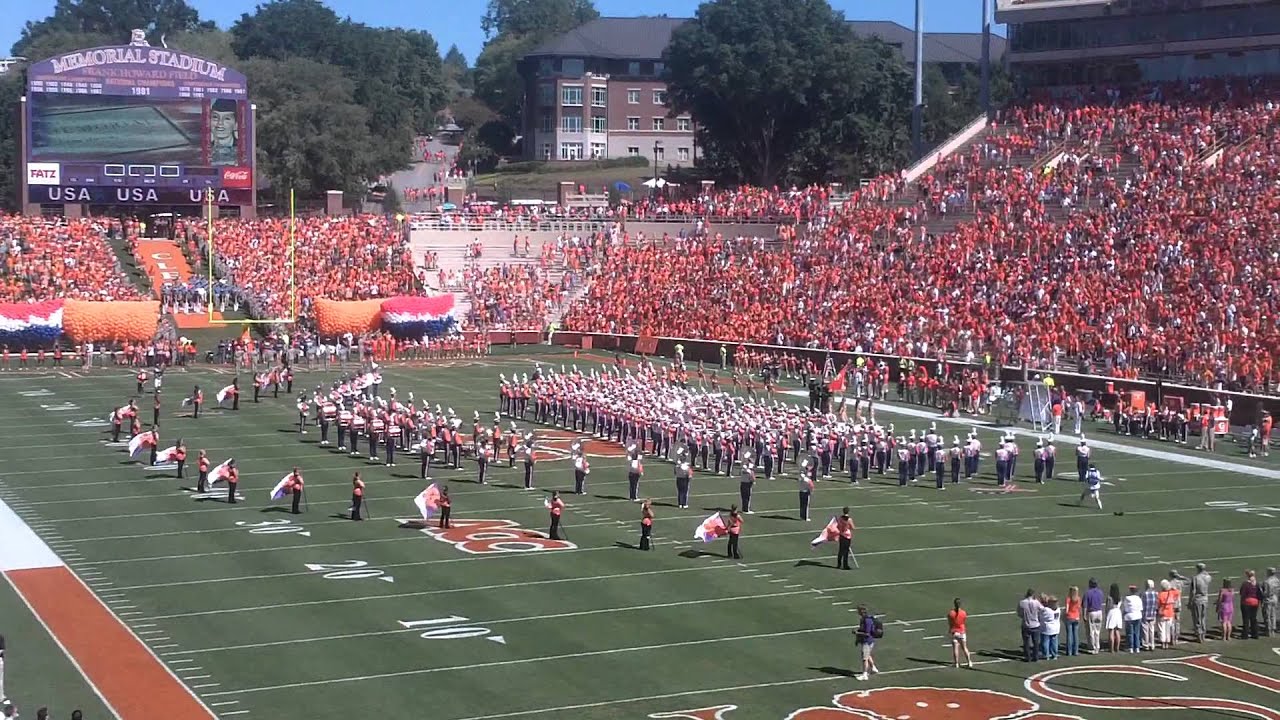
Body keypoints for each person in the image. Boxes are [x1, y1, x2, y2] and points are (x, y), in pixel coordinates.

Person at [853, 605, 880, 681]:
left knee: (864, 658)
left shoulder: (867, 620)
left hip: (867, 641)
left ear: (862, 611)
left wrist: (857, 633)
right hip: (866, 641)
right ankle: (873, 668)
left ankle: (865, 674)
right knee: (868, 655)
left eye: (858, 610)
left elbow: (867, 633)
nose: (857, 611)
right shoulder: (863, 619)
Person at [1018, 589, 1043, 662]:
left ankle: (1027, 657)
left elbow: (1019, 614)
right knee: (1036, 642)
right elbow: (1042, 609)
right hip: (1035, 625)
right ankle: (1036, 657)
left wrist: (1025, 616)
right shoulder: (1036, 602)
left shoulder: (1022, 602)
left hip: (1026, 625)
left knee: (1026, 642)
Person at [948, 598, 973, 669]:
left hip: (954, 632)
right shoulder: (963, 613)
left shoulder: (951, 613)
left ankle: (956, 663)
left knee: (955, 648)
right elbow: (963, 621)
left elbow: (950, 622)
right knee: (964, 648)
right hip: (962, 632)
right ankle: (969, 662)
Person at [1191, 562, 1213, 642]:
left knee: (1197, 618)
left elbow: (1193, 591)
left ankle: (1199, 634)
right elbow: (1209, 576)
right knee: (1203, 617)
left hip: (1197, 599)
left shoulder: (1195, 578)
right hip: (1205, 599)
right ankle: (1203, 633)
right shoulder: (1207, 577)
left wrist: (1190, 601)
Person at [1084, 578, 1105, 653]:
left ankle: (1092, 647)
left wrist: (1084, 615)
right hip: (1099, 612)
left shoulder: (1088, 593)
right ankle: (1097, 646)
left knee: (1091, 631)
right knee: (1097, 631)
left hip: (1092, 612)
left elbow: (1085, 605)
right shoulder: (1100, 592)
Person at [1240, 570, 1262, 640]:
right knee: (1254, 618)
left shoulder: (1245, 584)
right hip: (1255, 602)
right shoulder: (1257, 583)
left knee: (1246, 619)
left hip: (1247, 602)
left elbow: (1242, 593)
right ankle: (1255, 634)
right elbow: (1259, 593)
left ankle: (1245, 635)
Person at [1123, 585, 1144, 653]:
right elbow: (1141, 608)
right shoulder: (1138, 598)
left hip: (1130, 617)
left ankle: (1131, 647)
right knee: (1137, 632)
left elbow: (1125, 608)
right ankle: (1137, 647)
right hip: (1138, 616)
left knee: (1130, 633)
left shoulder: (1127, 598)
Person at [1157, 579, 1177, 649]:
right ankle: (1167, 643)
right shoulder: (1171, 593)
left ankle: (1163, 643)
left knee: (1162, 629)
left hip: (1162, 613)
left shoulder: (1160, 595)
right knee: (1168, 629)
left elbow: (1158, 604)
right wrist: (1172, 588)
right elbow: (1178, 593)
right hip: (1170, 613)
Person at [1040, 595, 1061, 660]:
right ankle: (1054, 655)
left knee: (1045, 642)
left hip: (1047, 628)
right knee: (1054, 642)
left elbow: (1041, 616)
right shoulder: (1058, 609)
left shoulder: (1046, 610)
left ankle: (1046, 655)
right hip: (1056, 628)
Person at [1063, 586, 1081, 656]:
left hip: (1070, 617)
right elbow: (1079, 608)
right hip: (1076, 617)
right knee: (1076, 635)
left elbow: (1067, 609)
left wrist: (1065, 615)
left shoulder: (1068, 599)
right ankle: (1075, 651)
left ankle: (1069, 652)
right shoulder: (1078, 599)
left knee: (1069, 635)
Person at [1141, 579, 1159, 650]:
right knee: (1152, 629)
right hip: (1153, 613)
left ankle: (1146, 644)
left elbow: (1142, 603)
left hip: (1145, 613)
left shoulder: (1144, 594)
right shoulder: (1156, 593)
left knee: (1145, 630)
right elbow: (1157, 604)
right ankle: (1152, 644)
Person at [1106, 584, 1124, 653]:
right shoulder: (1120, 597)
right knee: (1117, 631)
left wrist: (1106, 613)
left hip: (1112, 612)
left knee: (1111, 631)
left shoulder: (1109, 598)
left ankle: (1111, 649)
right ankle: (1117, 648)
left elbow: (1108, 607)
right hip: (1118, 612)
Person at [1264, 567, 1280, 636]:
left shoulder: (1267, 581)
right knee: (1273, 615)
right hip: (1275, 597)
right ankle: (1273, 629)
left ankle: (1269, 630)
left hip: (1269, 599)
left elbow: (1266, 593)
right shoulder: (1277, 580)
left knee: (1268, 615)